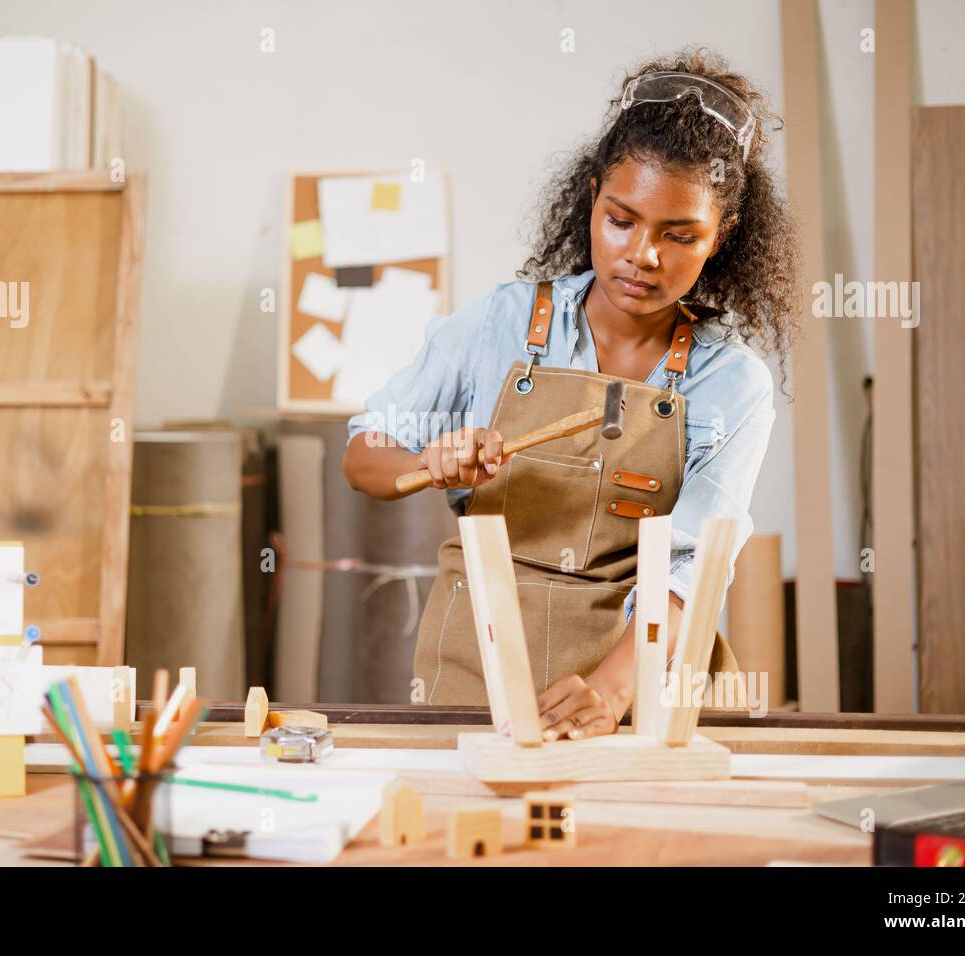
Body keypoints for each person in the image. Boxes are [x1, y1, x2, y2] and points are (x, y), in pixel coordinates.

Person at [342, 48, 801, 741]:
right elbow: (364, 455)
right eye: (622, 219)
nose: (642, 255)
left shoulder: (731, 382)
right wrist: (426, 462)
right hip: (480, 668)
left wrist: (612, 693)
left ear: (723, 237)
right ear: (592, 198)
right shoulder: (497, 323)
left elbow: (690, 573)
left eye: (680, 236)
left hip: (640, 682)